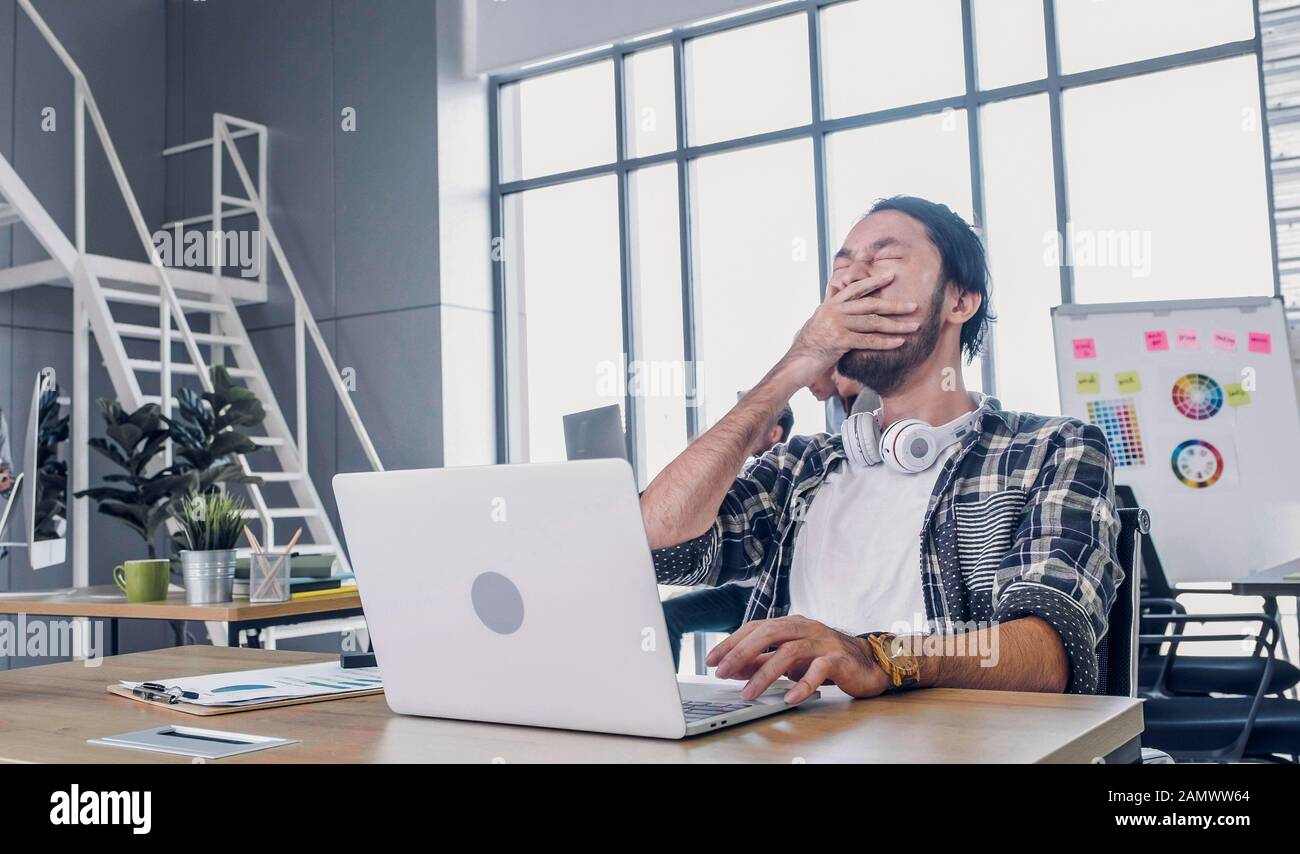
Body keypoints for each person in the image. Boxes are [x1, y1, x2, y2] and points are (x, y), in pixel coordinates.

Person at [641, 195, 1120, 704]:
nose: (850, 280)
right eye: (841, 267)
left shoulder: (1052, 449)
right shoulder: (803, 467)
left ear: (960, 301)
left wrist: (878, 656)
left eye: (883, 259)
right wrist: (791, 369)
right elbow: (657, 543)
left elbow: (1049, 653)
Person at [662, 402, 795, 670]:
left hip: (764, 597)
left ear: (774, 434)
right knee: (667, 614)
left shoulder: (787, 476)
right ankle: (667, 695)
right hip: (734, 592)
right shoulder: (738, 469)